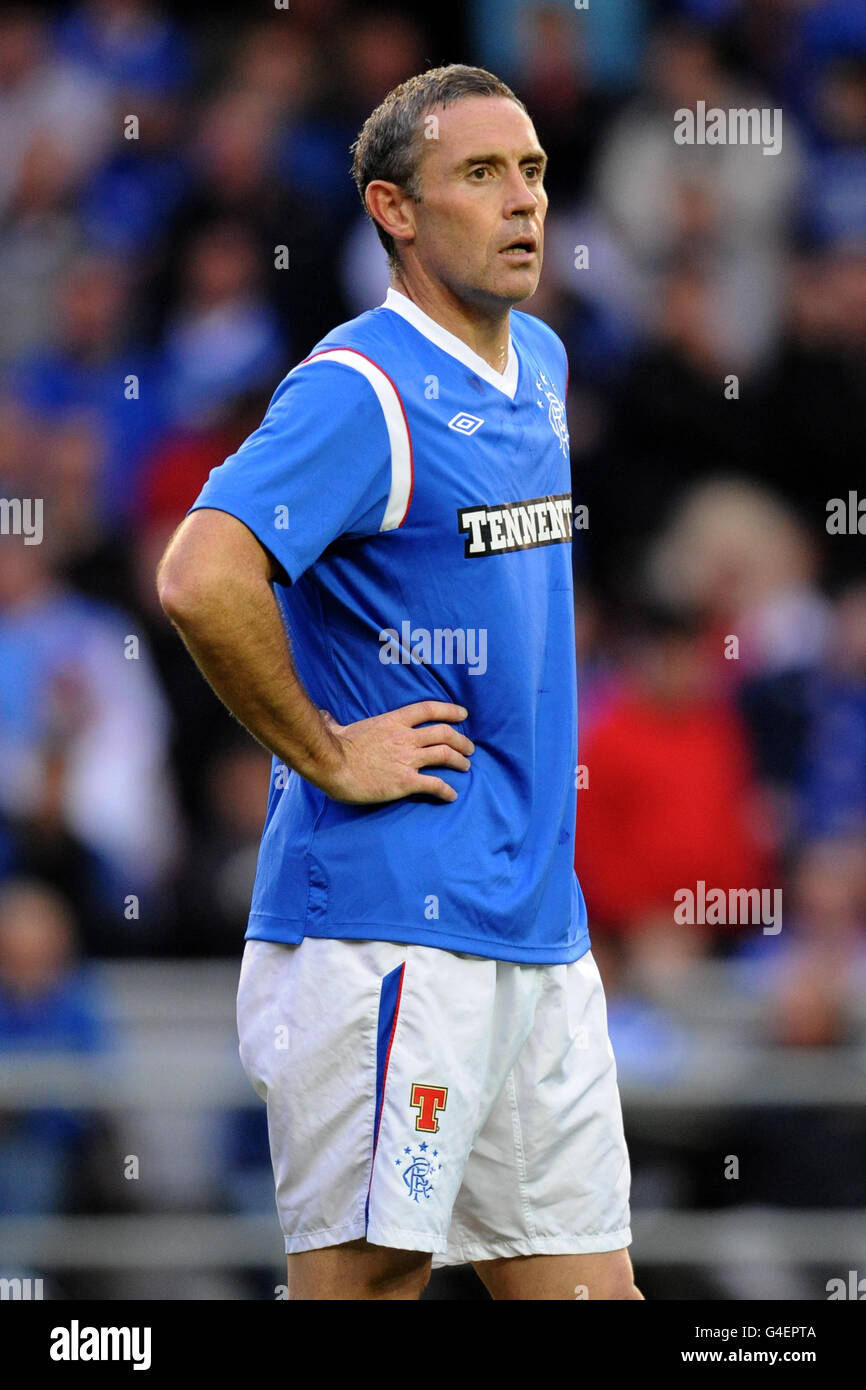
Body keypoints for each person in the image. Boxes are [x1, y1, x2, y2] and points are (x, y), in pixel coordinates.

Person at [156, 64, 639, 1302]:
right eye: (478, 174)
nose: (521, 199)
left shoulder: (536, 360)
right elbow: (202, 577)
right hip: (387, 930)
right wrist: (326, 748)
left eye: (530, 169)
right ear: (394, 210)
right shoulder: (357, 391)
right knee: (363, 1291)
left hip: (534, 927)